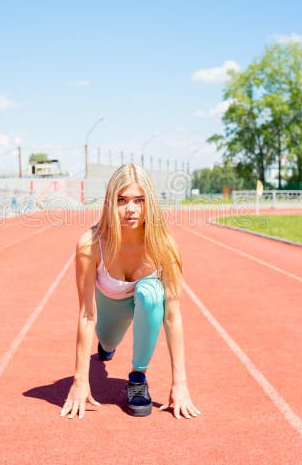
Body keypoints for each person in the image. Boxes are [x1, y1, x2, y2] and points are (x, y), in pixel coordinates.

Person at [60, 164, 199, 420]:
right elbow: (87, 315)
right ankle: (106, 347)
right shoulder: (91, 245)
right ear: (110, 203)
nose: (131, 209)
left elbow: (172, 316)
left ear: (150, 204)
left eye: (139, 200)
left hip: (145, 304)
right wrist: (80, 381)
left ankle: (138, 377)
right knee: (109, 341)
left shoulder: (164, 246)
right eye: (122, 200)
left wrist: (180, 384)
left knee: (151, 293)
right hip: (109, 304)